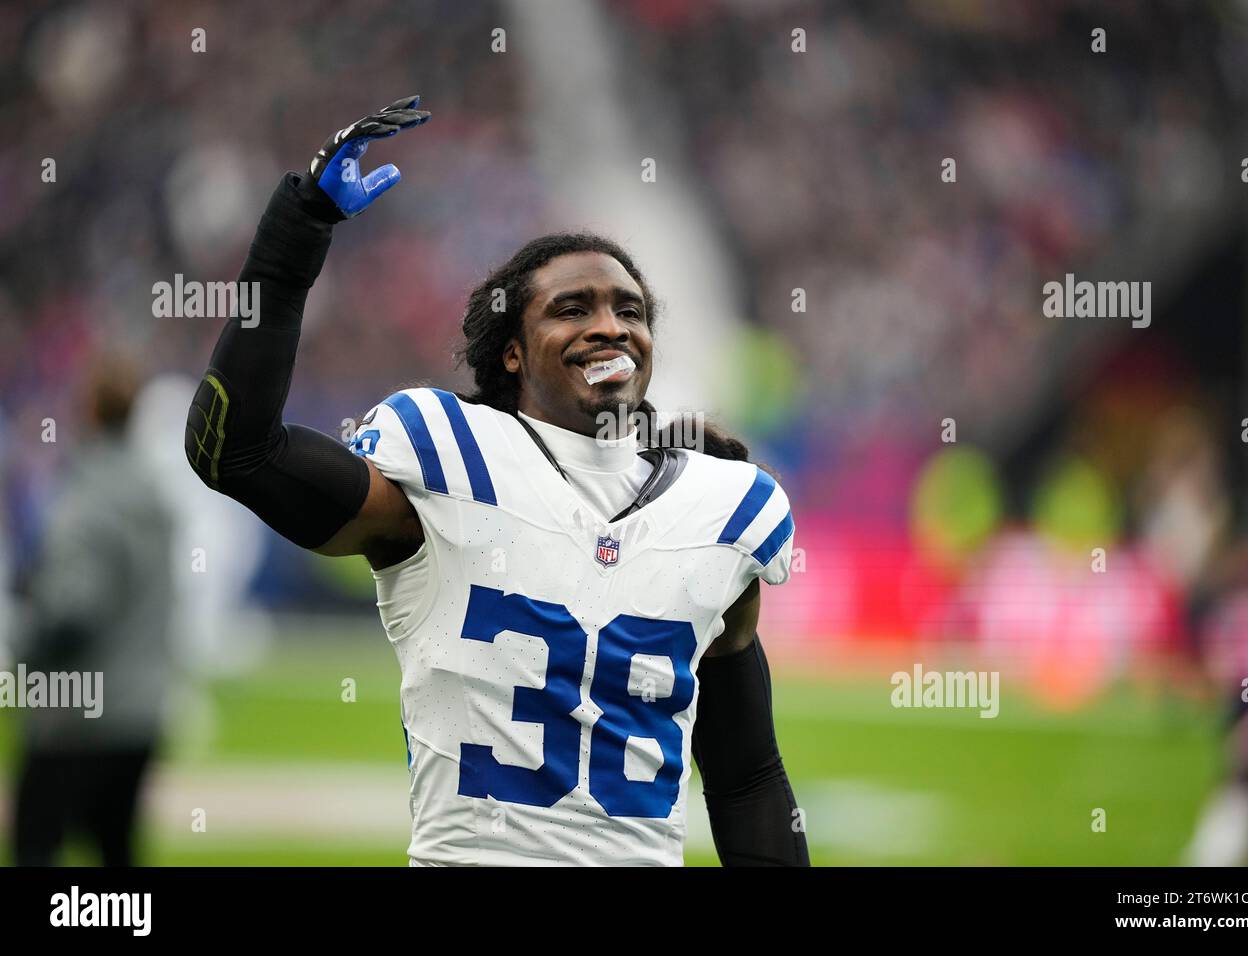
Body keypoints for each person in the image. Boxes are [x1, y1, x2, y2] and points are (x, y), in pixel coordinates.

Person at [186, 96, 808, 866]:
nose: (609, 326)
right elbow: (236, 451)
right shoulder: (450, 460)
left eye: (630, 311)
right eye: (572, 309)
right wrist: (294, 237)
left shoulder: (721, 507)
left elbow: (747, 779)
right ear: (512, 352)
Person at [12, 354, 175, 866]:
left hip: (75, 717)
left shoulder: (83, 500)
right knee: (119, 858)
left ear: (87, 411)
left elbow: (74, 611)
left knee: (35, 845)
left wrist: (21, 644)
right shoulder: (156, 497)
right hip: (141, 710)